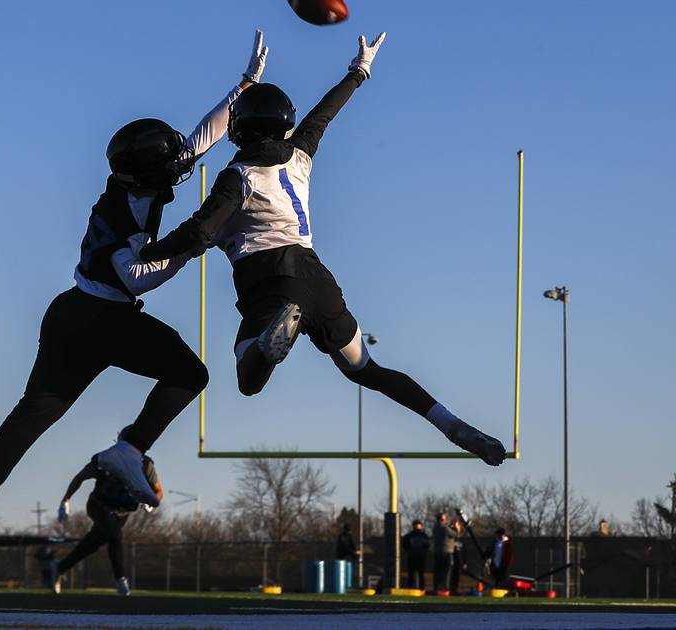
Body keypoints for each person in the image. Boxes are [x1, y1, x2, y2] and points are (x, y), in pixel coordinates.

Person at [0, 32, 269, 577]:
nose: (179, 167)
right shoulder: (130, 211)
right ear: (146, 173)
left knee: (33, 413)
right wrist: (193, 246)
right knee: (190, 374)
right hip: (106, 316)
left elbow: (195, 142)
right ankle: (130, 448)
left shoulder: (128, 183)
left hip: (69, 311)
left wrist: (243, 88)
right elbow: (134, 278)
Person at [133, 32, 506, 467]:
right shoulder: (299, 155)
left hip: (269, 277)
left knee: (247, 377)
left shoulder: (238, 176)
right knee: (367, 370)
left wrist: (149, 252)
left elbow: (200, 233)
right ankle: (450, 422)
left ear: (241, 128)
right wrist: (359, 71)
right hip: (317, 278)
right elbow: (323, 115)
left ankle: (265, 343)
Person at [49, 454, 163, 596]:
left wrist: (151, 501)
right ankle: (120, 580)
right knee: (115, 536)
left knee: (93, 543)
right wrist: (65, 500)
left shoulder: (146, 465)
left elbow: (158, 491)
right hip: (99, 505)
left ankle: (59, 568)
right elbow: (80, 477)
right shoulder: (106, 459)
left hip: (122, 513)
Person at [432, 512, 459, 592]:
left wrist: (450, 527)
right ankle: (445, 587)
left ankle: (436, 587)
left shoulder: (435, 528)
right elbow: (456, 535)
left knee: (438, 570)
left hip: (437, 552)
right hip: (447, 552)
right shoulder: (445, 528)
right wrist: (457, 528)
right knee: (447, 571)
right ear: (443, 519)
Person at [402, 519, 431, 590]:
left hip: (421, 557)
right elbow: (404, 544)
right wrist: (409, 551)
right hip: (412, 556)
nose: (417, 527)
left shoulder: (424, 535)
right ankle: (410, 587)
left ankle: (421, 588)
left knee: (421, 574)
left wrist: (424, 552)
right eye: (416, 525)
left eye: (418, 525)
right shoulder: (410, 535)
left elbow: (428, 545)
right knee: (411, 573)